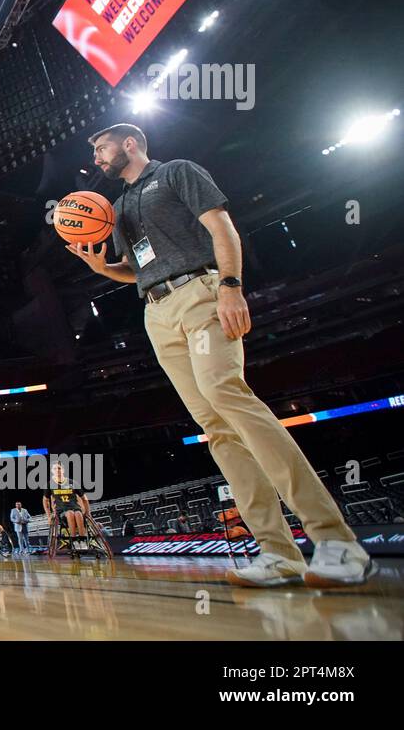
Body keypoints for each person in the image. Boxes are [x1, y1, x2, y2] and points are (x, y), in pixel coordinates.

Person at [69, 124, 371, 587]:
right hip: (157, 311)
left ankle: (335, 540)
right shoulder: (120, 207)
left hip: (202, 293)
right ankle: (278, 553)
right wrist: (100, 267)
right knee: (215, 428)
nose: (96, 156)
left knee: (225, 392)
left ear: (129, 143)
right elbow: (137, 270)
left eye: (101, 146)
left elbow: (220, 226)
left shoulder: (176, 173)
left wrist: (231, 286)